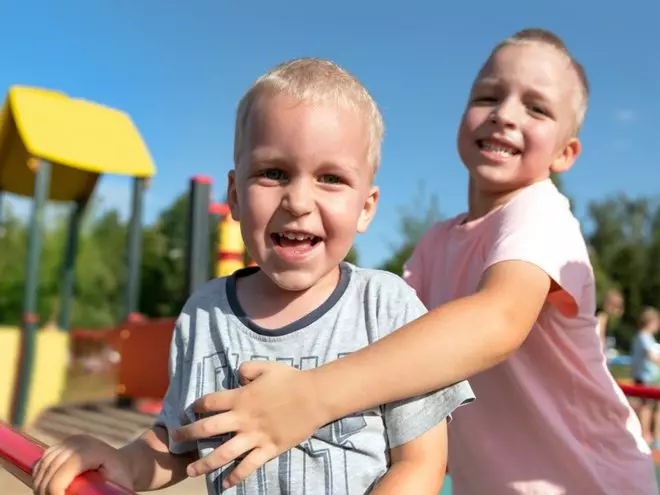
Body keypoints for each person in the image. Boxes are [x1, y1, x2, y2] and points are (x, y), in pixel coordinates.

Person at [171, 28, 659, 495]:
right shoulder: (436, 243)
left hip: (587, 482)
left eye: (536, 108)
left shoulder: (540, 213)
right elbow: (375, 331)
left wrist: (310, 397)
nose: (505, 115)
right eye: (488, 97)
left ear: (565, 153)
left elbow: (498, 321)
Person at [31, 58, 474, 495]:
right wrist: (123, 462)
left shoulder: (386, 307)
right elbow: (179, 445)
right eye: (274, 173)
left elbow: (421, 463)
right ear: (235, 196)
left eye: (330, 178)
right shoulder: (205, 314)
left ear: (366, 207)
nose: (298, 200)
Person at [631, 307, 660, 447]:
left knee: (651, 406)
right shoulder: (643, 337)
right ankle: (645, 433)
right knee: (646, 406)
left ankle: (653, 435)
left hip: (651, 376)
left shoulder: (648, 337)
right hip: (644, 377)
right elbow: (652, 357)